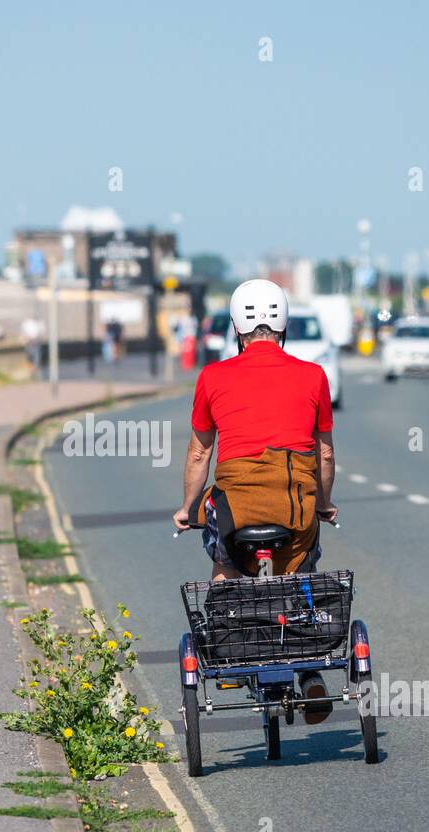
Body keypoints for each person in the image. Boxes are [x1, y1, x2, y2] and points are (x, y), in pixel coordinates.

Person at [173, 279, 339, 723]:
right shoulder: (314, 376)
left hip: (235, 513)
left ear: (236, 328)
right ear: (282, 325)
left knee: (225, 564)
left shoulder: (212, 377)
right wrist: (323, 503)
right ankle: (309, 674)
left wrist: (187, 509)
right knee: (301, 567)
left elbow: (199, 453)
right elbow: (323, 452)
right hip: (294, 508)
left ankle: (229, 651)